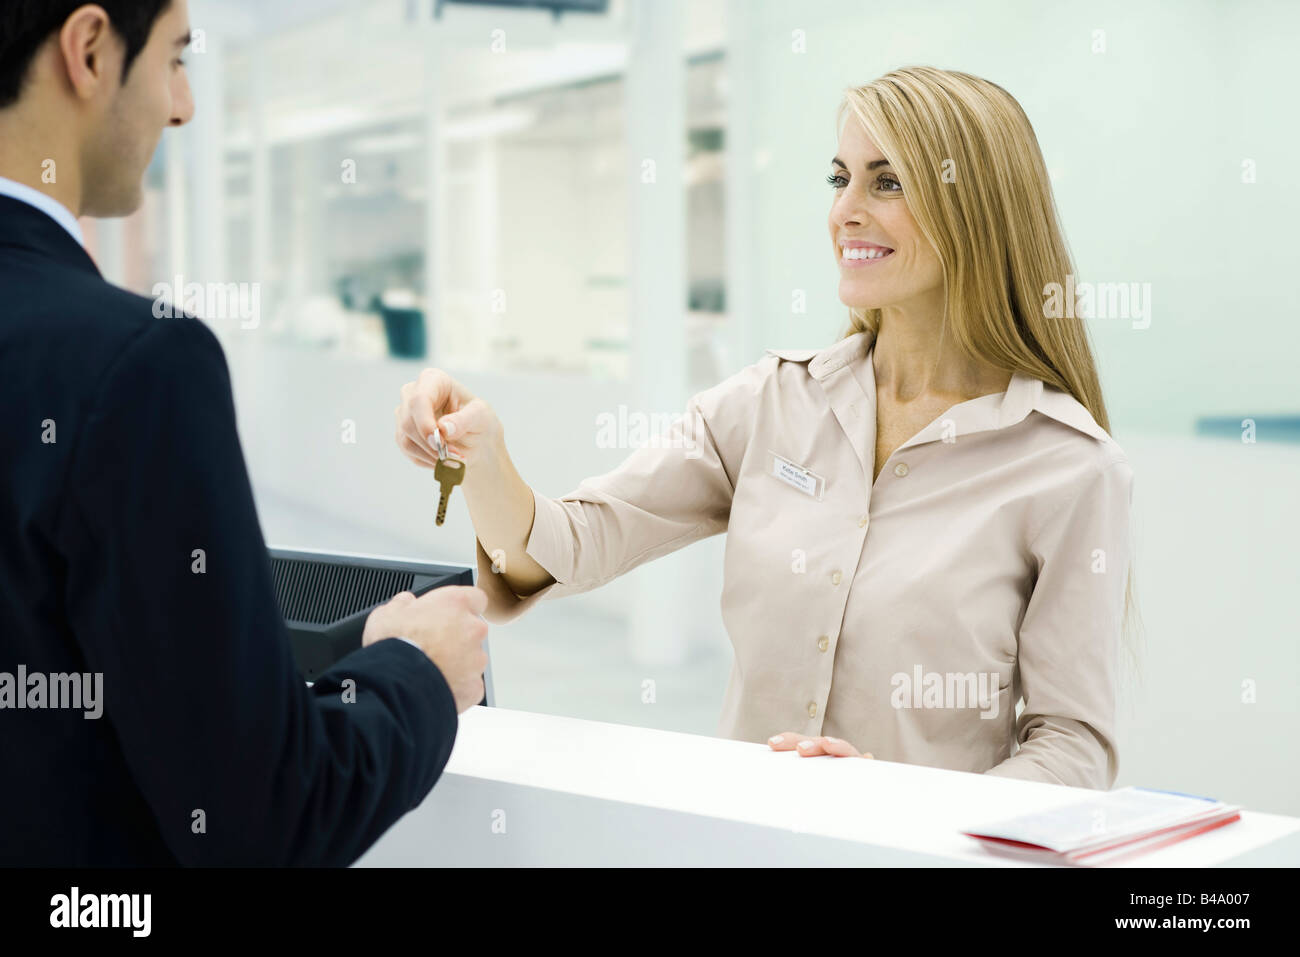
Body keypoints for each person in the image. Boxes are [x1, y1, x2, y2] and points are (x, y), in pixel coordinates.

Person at [394, 66, 1135, 791]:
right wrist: (485, 457)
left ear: (977, 210)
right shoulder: (771, 402)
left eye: (888, 181)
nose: (846, 209)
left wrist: (911, 804)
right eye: (839, 177)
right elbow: (570, 548)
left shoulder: (1068, 466)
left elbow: (1072, 748)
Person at [0, 0, 488, 866]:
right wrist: (417, 670)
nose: (182, 105)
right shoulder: (140, 364)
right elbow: (266, 818)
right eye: (173, 60)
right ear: (87, 50)